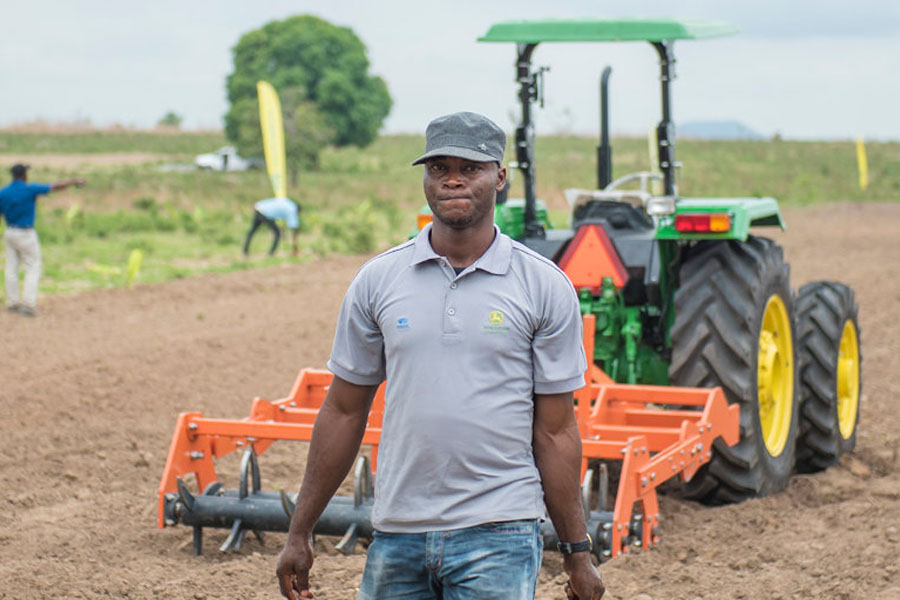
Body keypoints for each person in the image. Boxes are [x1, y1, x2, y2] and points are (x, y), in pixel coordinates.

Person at [276, 112, 605, 600]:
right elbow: (344, 411)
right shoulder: (378, 280)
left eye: (469, 167)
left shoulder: (542, 285)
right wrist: (299, 532)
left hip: (500, 531)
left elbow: (556, 431)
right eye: (438, 167)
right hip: (397, 532)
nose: (451, 179)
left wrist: (577, 552)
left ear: (499, 176)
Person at [0, 164, 84, 317]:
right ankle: (28, 304)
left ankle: (12, 303)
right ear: (24, 175)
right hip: (25, 233)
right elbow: (55, 186)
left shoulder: (3, 192)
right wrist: (74, 182)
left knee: (11, 268)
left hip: (10, 232)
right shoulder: (29, 189)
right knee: (32, 267)